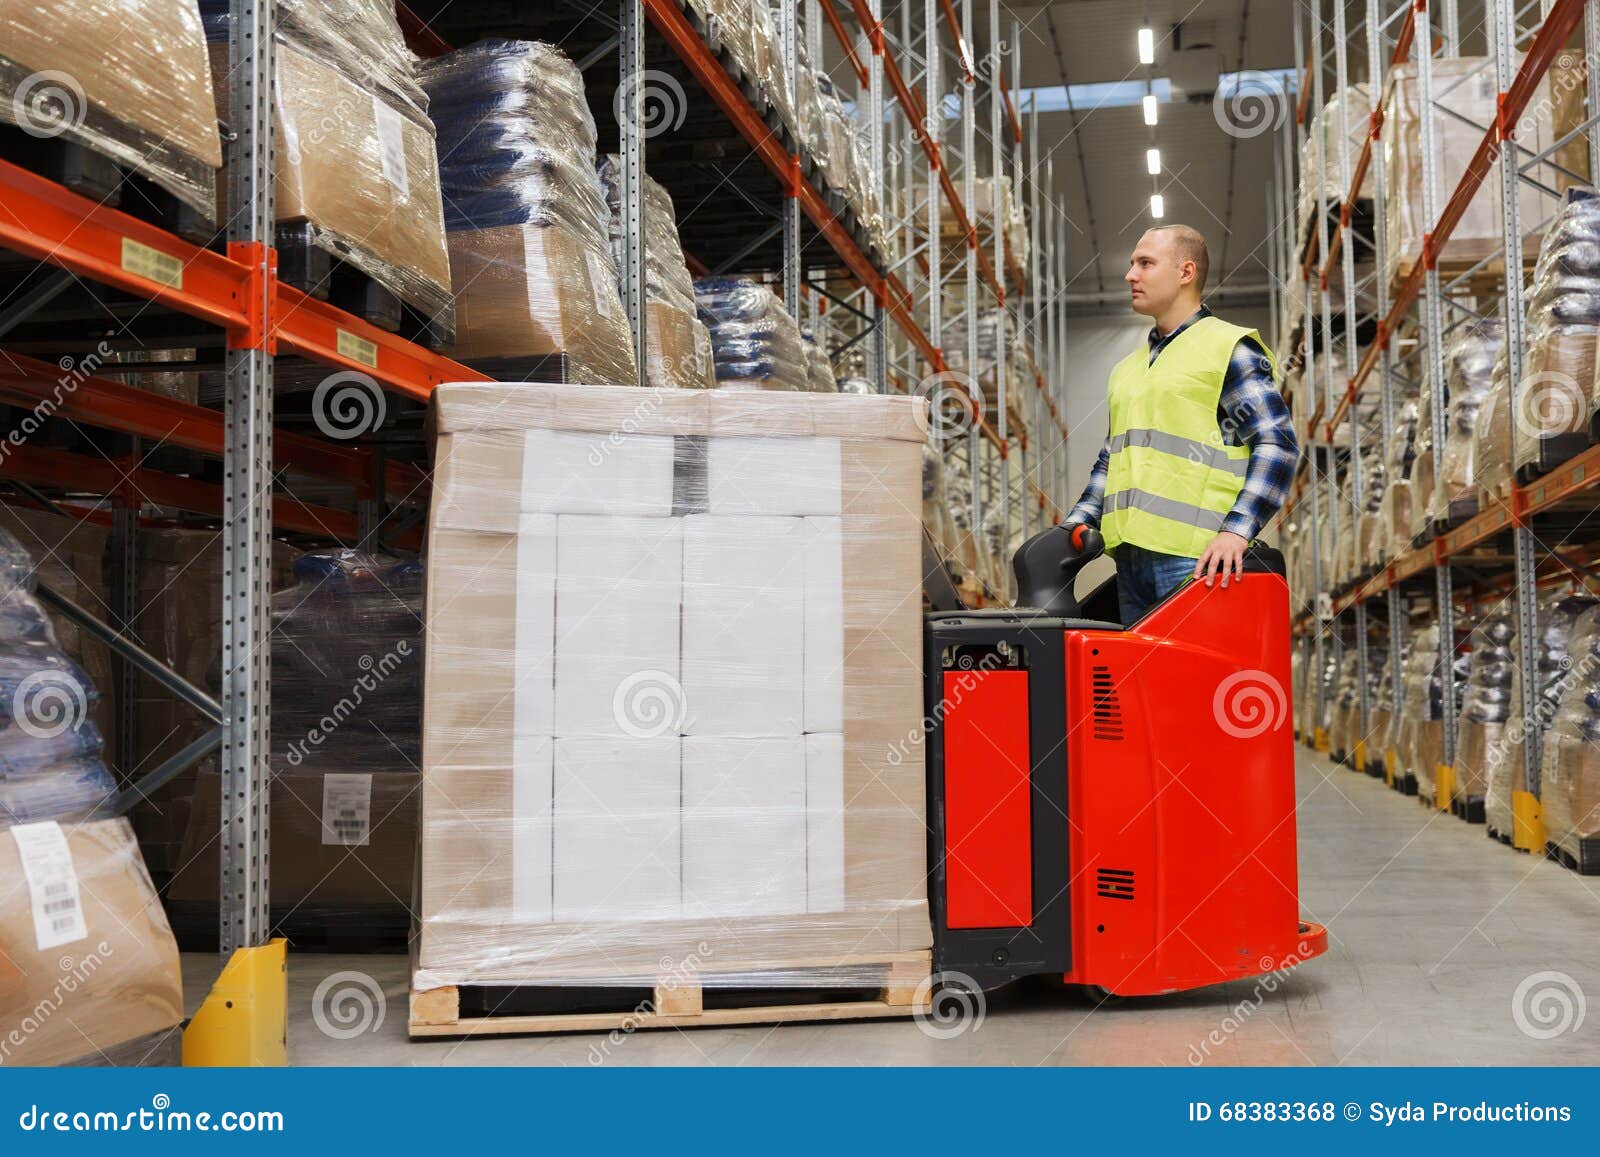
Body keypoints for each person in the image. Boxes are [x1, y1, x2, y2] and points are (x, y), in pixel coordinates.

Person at [1065, 225, 1298, 626]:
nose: (1130, 275)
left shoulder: (1228, 349)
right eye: (1132, 264)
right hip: (1131, 561)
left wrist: (1237, 531)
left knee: (1194, 667)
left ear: (1185, 272)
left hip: (1199, 561)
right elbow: (1112, 459)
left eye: (1145, 263)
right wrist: (1076, 524)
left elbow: (1276, 444)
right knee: (1143, 669)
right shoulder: (1127, 370)